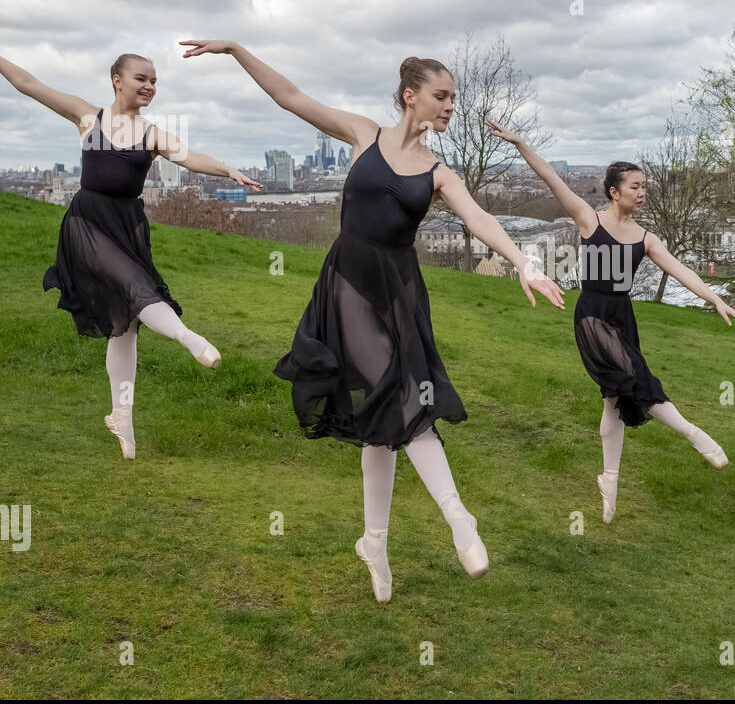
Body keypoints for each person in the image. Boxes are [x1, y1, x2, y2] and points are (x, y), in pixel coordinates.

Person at [180, 41, 566, 602]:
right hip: (347, 285)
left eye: (454, 98)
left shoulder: (438, 173)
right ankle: (460, 520)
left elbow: (481, 218)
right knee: (401, 394)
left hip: (399, 294)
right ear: (411, 96)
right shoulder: (363, 134)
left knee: (384, 420)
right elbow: (289, 97)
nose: (450, 106)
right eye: (442, 96)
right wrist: (236, 49)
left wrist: (523, 261)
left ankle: (375, 543)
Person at [0, 36, 261, 460]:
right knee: (138, 289)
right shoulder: (86, 117)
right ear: (117, 81)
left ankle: (122, 417)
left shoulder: (152, 134)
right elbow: (28, 83)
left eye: (155, 80)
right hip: (86, 224)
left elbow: (190, 158)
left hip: (127, 227)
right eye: (141, 78)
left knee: (126, 324)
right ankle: (189, 339)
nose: (150, 86)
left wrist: (227, 169)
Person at [490, 118, 735, 524]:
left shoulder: (647, 238)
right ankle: (695, 435)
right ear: (614, 191)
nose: (642, 193)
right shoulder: (588, 220)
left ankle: (609, 479)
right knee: (637, 382)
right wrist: (520, 143)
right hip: (592, 315)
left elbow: (682, 271)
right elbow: (551, 178)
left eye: (645, 187)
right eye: (635, 187)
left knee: (615, 397)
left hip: (622, 317)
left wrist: (716, 299)